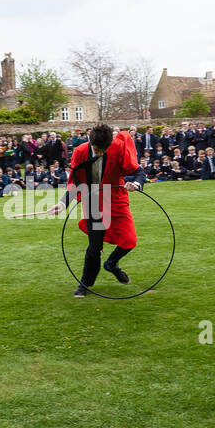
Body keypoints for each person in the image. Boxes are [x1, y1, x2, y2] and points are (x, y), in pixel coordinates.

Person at [50, 124, 144, 298]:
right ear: (90, 141)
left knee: (130, 240)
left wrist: (136, 183)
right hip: (92, 202)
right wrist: (63, 204)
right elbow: (74, 182)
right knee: (94, 248)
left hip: (116, 200)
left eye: (104, 149)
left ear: (110, 144)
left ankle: (111, 264)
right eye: (97, 149)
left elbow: (138, 171)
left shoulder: (117, 147)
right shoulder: (80, 152)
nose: (100, 153)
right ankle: (85, 284)